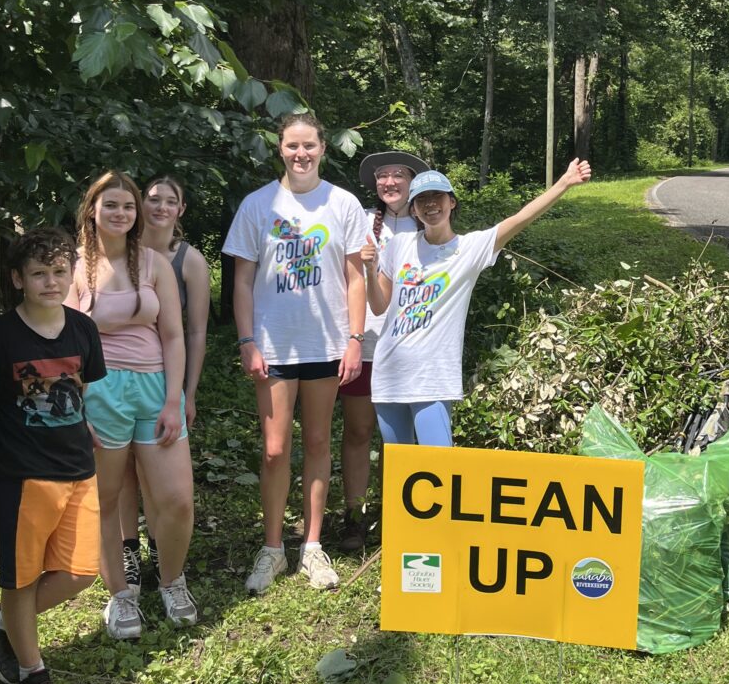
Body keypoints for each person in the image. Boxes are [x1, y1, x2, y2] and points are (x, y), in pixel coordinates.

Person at [223, 113, 369, 595]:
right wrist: (247, 340)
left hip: (327, 344)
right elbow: (242, 281)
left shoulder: (343, 203)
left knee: (319, 445)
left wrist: (354, 338)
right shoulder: (258, 204)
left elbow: (354, 277)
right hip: (274, 343)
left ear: (323, 148)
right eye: (292, 146)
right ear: (280, 149)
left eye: (309, 145)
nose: (301, 153)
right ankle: (271, 550)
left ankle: (311, 546)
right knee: (274, 449)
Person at [364, 158, 592, 447]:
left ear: (452, 202)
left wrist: (564, 182)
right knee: (398, 471)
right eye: (422, 199)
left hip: (431, 378)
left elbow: (522, 218)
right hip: (389, 372)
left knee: (437, 471)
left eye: (437, 196)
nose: (431, 204)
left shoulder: (471, 248)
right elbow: (378, 305)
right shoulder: (399, 245)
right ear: (413, 209)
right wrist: (371, 272)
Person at [68, 171, 197, 637]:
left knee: (177, 501)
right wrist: (76, 405)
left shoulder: (155, 264)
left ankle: (171, 581)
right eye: (111, 206)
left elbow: (174, 335)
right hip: (99, 392)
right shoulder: (76, 267)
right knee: (105, 500)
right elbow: (65, 344)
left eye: (127, 206)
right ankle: (121, 596)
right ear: (92, 211)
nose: (120, 214)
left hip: (155, 388)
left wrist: (173, 399)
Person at [0, 227, 107, 684]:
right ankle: (32, 672)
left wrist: (89, 430)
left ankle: (3, 626)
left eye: (59, 271)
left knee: (82, 572)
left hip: (79, 469)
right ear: (18, 278)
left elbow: (82, 388)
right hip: (23, 476)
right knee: (19, 580)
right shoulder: (0, 336)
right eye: (39, 273)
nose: (50, 281)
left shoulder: (83, 329)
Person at [328, 149, 427, 552]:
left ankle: (397, 514)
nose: (389, 182)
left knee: (399, 437)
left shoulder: (429, 222)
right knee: (359, 430)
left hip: (412, 345)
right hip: (367, 343)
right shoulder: (363, 224)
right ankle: (355, 516)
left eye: (397, 175)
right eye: (382, 176)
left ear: (412, 181)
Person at [118, 176, 211, 592]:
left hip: (165, 383)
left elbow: (195, 333)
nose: (160, 207)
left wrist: (187, 394)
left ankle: (159, 547)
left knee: (161, 475)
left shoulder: (189, 261)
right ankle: (127, 551)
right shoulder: (120, 253)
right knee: (123, 475)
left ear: (181, 210)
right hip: (119, 381)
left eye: (169, 201)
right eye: (152, 199)